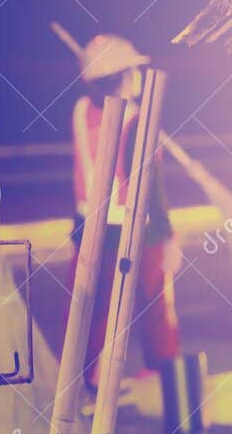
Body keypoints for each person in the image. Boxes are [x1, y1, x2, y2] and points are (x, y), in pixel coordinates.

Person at [69, 33, 184, 387]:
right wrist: (169, 237)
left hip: (87, 222)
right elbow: (151, 186)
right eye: (132, 70)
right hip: (133, 224)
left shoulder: (79, 111)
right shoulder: (135, 120)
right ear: (120, 77)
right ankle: (164, 370)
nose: (137, 76)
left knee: (93, 304)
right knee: (154, 301)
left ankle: (88, 377)